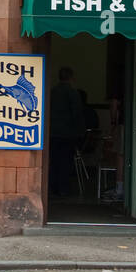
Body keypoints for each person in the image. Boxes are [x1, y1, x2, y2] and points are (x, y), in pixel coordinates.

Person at [49, 67, 84, 196]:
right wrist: (80, 133)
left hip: (52, 133)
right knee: (65, 161)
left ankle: (52, 188)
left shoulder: (52, 91)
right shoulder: (73, 92)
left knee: (53, 160)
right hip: (67, 134)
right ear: (71, 77)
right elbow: (77, 114)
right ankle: (63, 188)